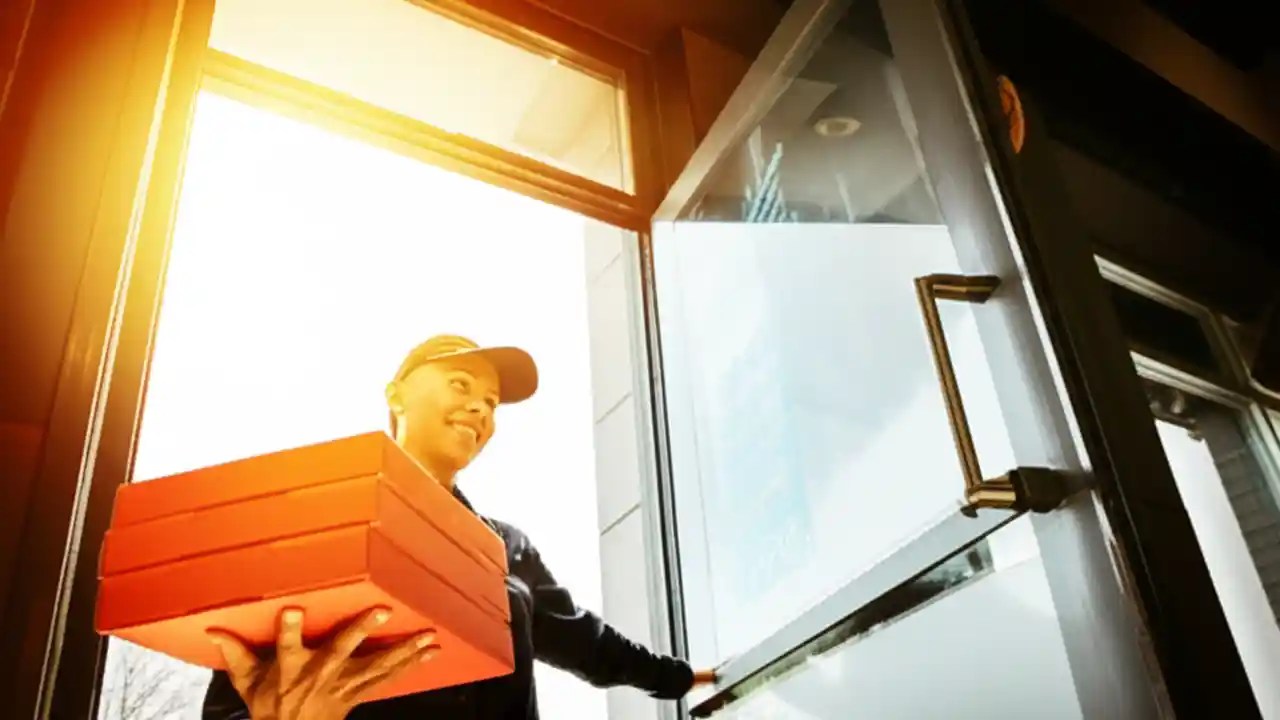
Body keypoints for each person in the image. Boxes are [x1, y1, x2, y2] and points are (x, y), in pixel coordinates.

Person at [202, 335, 714, 719]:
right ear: (396, 396)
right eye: (461, 385)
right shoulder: (320, 522)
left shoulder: (505, 547)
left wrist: (682, 677)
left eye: (491, 402)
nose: (479, 408)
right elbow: (234, 697)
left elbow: (590, 644)